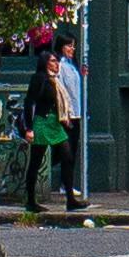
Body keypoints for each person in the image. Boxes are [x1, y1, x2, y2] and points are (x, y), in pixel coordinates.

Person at [14, 25, 87, 215]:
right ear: (46, 63)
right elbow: (30, 102)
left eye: (56, 60)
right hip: (42, 123)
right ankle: (31, 200)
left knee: (67, 157)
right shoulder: (40, 79)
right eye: (53, 61)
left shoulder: (54, 79)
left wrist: (64, 117)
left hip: (55, 123)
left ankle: (70, 199)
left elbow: (60, 101)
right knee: (36, 161)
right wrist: (29, 128)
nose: (57, 63)